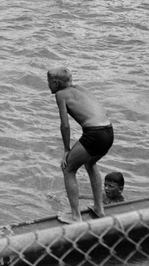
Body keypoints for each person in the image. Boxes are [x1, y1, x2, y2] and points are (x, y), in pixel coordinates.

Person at [47, 67, 113, 224]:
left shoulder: (60, 94)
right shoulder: (81, 89)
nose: (48, 86)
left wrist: (66, 150)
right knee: (90, 163)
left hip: (95, 134)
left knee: (68, 168)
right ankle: (99, 208)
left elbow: (65, 125)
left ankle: (75, 217)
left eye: (49, 83)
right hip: (109, 131)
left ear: (56, 83)